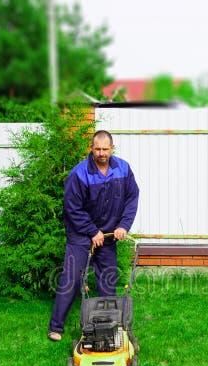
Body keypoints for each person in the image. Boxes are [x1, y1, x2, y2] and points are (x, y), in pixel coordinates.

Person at [48, 130, 139, 341]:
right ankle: (56, 328)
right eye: (97, 149)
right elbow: (72, 208)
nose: (101, 153)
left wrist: (123, 225)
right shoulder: (79, 174)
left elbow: (132, 197)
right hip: (81, 236)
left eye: (105, 149)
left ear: (112, 149)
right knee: (71, 280)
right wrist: (92, 231)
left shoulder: (123, 169)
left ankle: (108, 325)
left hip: (108, 236)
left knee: (108, 281)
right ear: (91, 148)